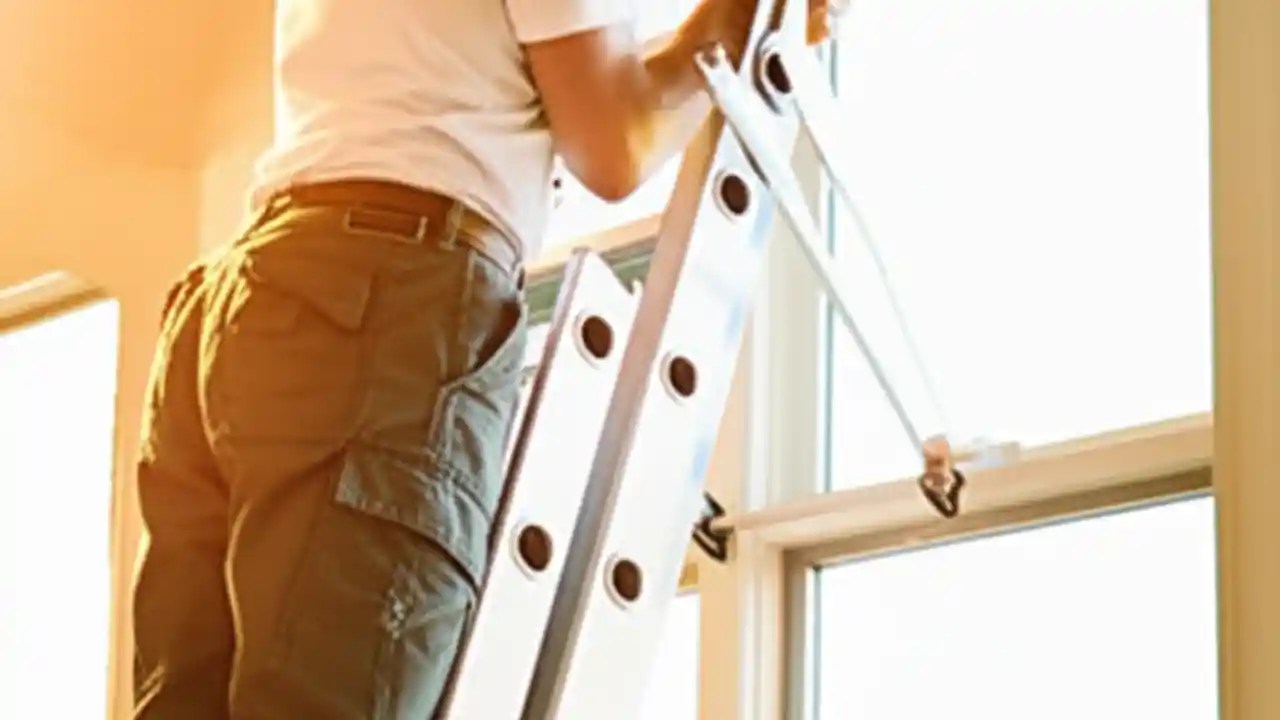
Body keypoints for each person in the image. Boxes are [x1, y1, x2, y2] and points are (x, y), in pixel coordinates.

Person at [130, 0, 829, 717]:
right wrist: (725, 32)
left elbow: (521, 77)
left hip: (257, 296)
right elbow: (616, 143)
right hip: (383, 310)